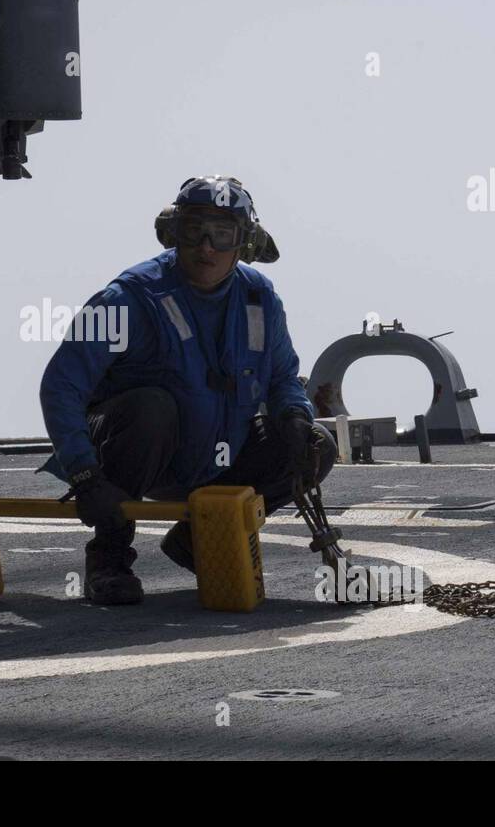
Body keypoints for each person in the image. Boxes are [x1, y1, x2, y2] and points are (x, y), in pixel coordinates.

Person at [38, 175, 337, 605]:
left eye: (222, 234)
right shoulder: (128, 298)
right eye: (194, 230)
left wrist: (293, 415)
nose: (206, 247)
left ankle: (196, 540)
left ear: (245, 241)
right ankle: (108, 558)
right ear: (173, 233)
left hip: (220, 452)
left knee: (315, 444)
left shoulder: (259, 298)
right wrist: (85, 475)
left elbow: (283, 377)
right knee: (151, 407)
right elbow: (61, 385)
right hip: (137, 456)